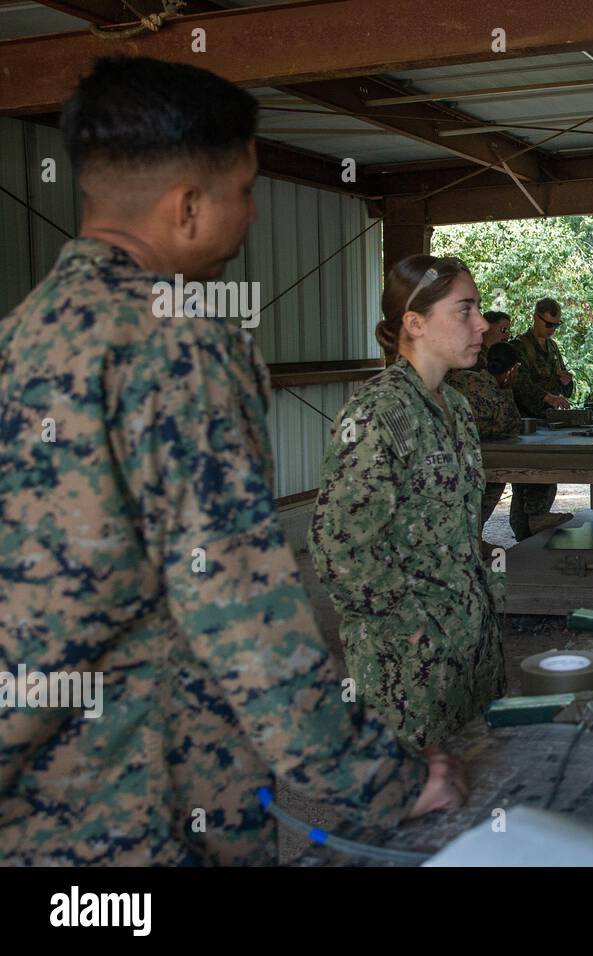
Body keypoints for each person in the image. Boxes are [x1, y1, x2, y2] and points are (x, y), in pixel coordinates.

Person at [0, 56, 448, 866]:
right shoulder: (176, 343)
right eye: (245, 191)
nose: (249, 215)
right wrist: (385, 780)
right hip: (144, 806)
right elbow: (243, 611)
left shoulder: (24, 334)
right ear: (188, 207)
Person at [311, 255, 507, 756]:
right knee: (415, 804)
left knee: (479, 782)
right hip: (410, 666)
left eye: (478, 308)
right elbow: (338, 550)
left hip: (472, 647)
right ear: (415, 323)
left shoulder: (455, 407)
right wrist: (412, 628)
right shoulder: (378, 413)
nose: (481, 323)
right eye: (465, 309)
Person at [446, 310, 523, 533]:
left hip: (453, 441)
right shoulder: (479, 375)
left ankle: (471, 535)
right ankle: (471, 537)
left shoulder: (468, 364)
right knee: (495, 476)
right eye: (503, 330)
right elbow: (509, 427)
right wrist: (505, 390)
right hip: (469, 448)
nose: (507, 334)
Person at [509, 297, 574, 539]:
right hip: (527, 421)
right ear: (536, 317)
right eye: (549, 325)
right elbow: (519, 384)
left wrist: (567, 382)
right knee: (526, 479)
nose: (552, 330)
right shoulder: (519, 347)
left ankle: (532, 528)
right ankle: (523, 530)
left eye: (557, 326)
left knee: (546, 476)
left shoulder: (553, 348)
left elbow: (563, 387)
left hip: (550, 421)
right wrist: (547, 397)